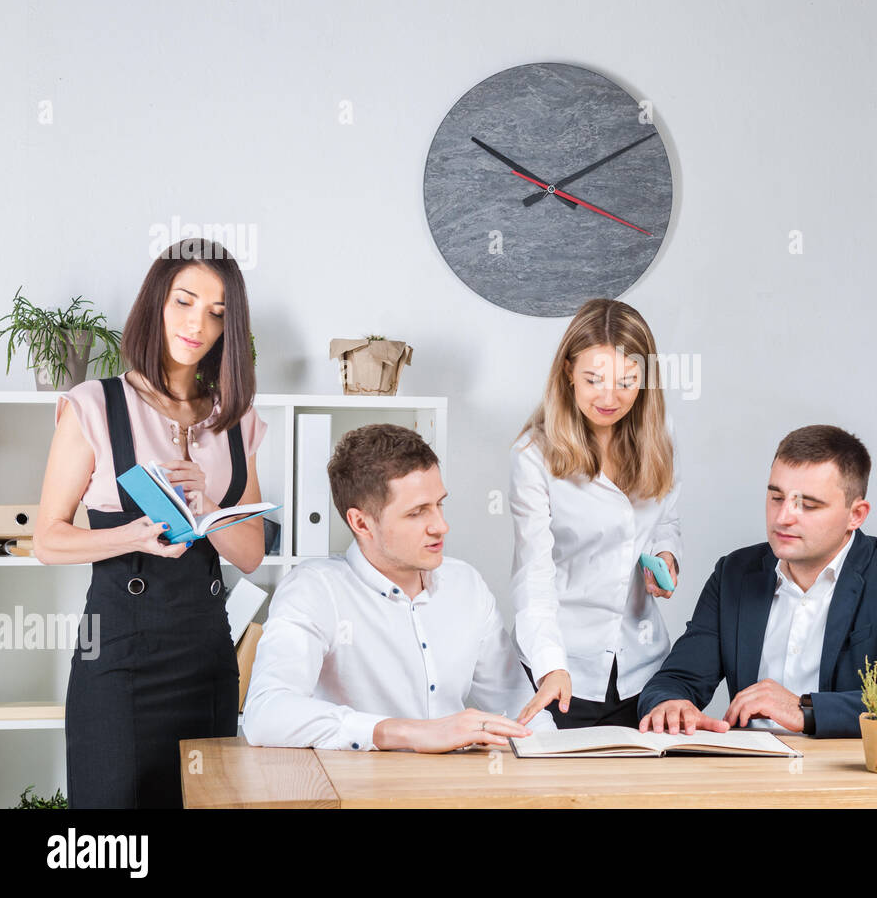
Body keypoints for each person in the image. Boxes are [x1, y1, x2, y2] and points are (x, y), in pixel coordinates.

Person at [34, 238, 268, 808]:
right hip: (117, 659)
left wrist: (209, 508)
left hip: (207, 657)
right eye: (184, 302)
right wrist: (130, 536)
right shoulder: (95, 403)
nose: (198, 325)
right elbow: (46, 538)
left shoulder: (236, 420)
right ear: (156, 303)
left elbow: (252, 554)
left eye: (217, 313)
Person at [638, 425, 877, 738]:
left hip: (846, 784)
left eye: (808, 505)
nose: (783, 517)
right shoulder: (734, 574)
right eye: (776, 498)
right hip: (748, 778)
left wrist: (809, 710)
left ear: (855, 515)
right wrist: (669, 703)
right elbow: (677, 679)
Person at [243, 424, 551, 752]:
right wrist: (412, 733)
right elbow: (266, 714)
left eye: (439, 504)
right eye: (417, 513)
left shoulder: (466, 585)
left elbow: (522, 710)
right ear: (361, 523)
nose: (441, 526)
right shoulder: (315, 590)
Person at [510, 298, 682, 730]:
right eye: (594, 379)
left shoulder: (660, 438)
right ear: (568, 371)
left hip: (641, 666)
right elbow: (534, 571)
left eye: (627, 381)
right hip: (565, 667)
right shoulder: (534, 455)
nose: (610, 397)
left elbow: (665, 521)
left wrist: (666, 557)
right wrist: (550, 664)